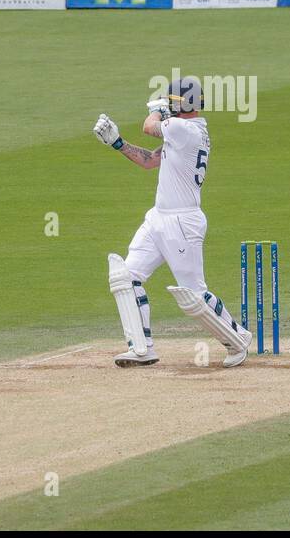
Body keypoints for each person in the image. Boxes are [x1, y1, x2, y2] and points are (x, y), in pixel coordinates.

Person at [92, 82, 251, 368]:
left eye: (171, 103)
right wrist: (118, 143)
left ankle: (238, 340)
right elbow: (151, 161)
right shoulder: (181, 131)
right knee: (126, 278)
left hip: (182, 221)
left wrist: (156, 111)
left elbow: (148, 125)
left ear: (180, 105)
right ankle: (142, 349)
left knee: (193, 295)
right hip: (158, 217)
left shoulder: (185, 130)